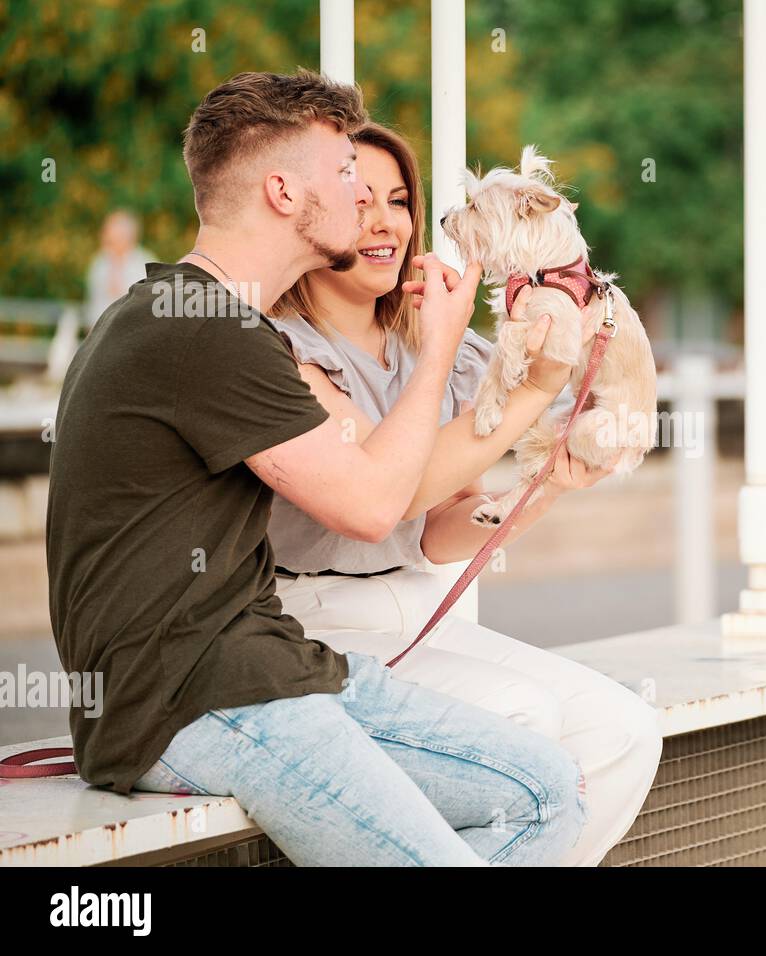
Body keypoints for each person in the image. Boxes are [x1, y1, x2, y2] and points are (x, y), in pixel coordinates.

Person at [46, 70, 588, 866]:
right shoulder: (197, 327)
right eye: (344, 176)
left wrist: (537, 401)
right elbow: (372, 508)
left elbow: (382, 479)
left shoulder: (212, 320)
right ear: (282, 192)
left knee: (545, 788)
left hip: (268, 669)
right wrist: (441, 347)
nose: (365, 200)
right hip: (190, 700)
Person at [266, 121, 664, 868]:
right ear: (313, 220)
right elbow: (390, 493)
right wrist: (533, 384)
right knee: (524, 719)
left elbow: (439, 526)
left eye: (399, 201)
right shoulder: (284, 349)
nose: (385, 221)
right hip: (313, 621)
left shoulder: (446, 345)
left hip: (418, 605)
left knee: (625, 730)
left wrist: (540, 487)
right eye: (360, 201)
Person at [84, 209, 154, 326]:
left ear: (126, 235)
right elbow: (94, 306)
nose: (103, 235)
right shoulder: (99, 262)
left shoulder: (146, 264)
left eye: (107, 230)